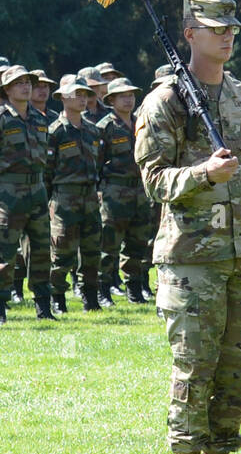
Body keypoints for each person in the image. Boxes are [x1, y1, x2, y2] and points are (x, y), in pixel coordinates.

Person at [134, 0, 241, 454]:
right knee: (195, 364)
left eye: (232, 27)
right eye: (216, 28)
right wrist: (202, 173)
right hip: (191, 256)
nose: (228, 35)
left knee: (239, 366)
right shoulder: (164, 101)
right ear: (189, 34)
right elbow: (153, 179)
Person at [0, 64, 54, 322]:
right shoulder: (2, 118)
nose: (26, 86)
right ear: (7, 89)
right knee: (4, 251)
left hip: (38, 190)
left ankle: (44, 306)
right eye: (19, 82)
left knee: (42, 249)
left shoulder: (40, 118)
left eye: (28, 82)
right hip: (8, 191)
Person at [45, 76, 103, 314]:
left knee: (92, 250)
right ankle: (57, 297)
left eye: (85, 94)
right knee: (62, 251)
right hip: (64, 199)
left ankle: (91, 297)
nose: (82, 98)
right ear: (63, 97)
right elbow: (47, 170)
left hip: (89, 197)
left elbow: (99, 163)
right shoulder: (55, 132)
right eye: (77, 94)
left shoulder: (92, 130)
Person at [95, 79, 153, 305]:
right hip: (114, 192)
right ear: (111, 100)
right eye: (122, 96)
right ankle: (103, 289)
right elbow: (97, 163)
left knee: (137, 244)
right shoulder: (104, 127)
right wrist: (100, 191)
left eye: (130, 95)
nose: (128, 99)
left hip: (139, 191)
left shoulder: (142, 123)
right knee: (108, 245)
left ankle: (134, 289)